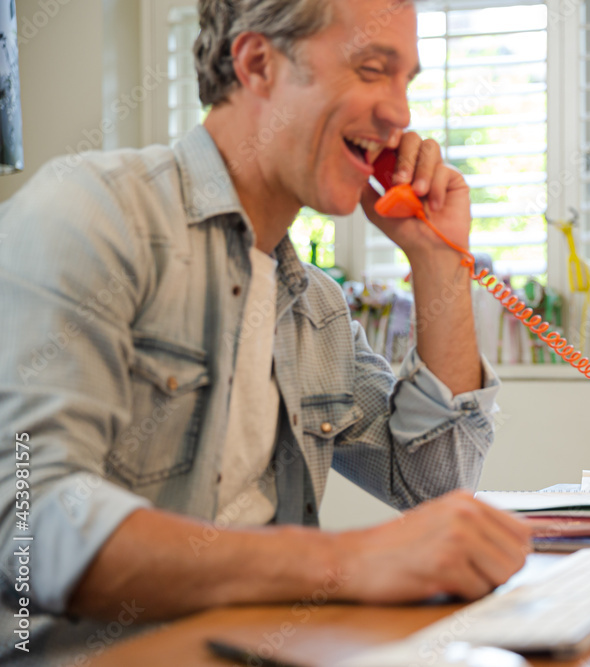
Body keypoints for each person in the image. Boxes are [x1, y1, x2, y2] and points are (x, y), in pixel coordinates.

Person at [0, 0, 530, 658]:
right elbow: (29, 526)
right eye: (372, 69)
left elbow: (437, 486)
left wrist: (437, 260)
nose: (401, 114)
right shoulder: (90, 217)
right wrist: (343, 562)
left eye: (408, 81)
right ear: (257, 63)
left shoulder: (317, 308)